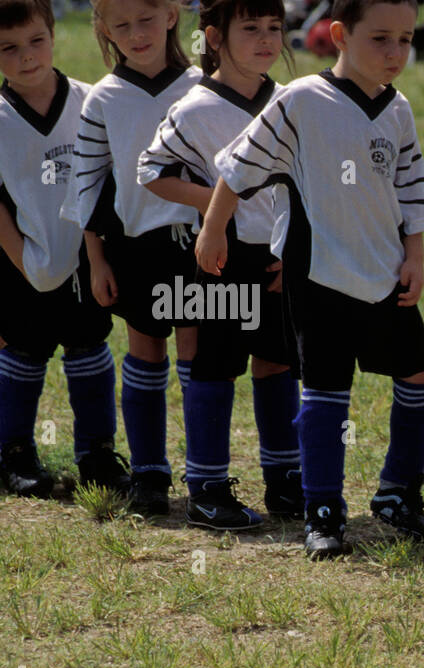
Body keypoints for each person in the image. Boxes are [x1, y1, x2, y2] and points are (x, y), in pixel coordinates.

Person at [197, 0, 424, 559]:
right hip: (318, 276)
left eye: (405, 40)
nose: (395, 52)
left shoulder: (398, 109)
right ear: (339, 35)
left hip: (384, 274)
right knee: (326, 393)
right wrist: (214, 230)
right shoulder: (303, 99)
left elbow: (412, 191)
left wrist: (415, 257)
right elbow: (237, 166)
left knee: (422, 382)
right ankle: (323, 512)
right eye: (380, 39)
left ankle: (399, 494)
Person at [137, 0, 302, 530]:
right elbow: (151, 171)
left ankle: (285, 481)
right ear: (213, 37)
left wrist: (293, 244)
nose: (265, 40)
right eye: (250, 28)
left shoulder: (290, 101)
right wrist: (215, 201)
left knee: (278, 362)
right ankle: (207, 489)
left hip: (276, 259)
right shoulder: (195, 107)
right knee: (215, 365)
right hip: (218, 257)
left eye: (274, 28)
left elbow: (306, 182)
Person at [62, 0, 201, 515]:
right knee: (145, 355)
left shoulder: (202, 87)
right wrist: (96, 262)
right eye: (121, 25)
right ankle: (149, 476)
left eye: (146, 19)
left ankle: (205, 473)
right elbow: (87, 186)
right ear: (104, 30)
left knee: (196, 357)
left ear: (171, 16)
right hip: (133, 248)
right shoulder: (102, 99)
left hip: (195, 246)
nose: (136, 33)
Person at [0, 0, 129, 498]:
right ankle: (14, 454)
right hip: (20, 255)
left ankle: (96, 454)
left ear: (53, 35)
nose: (26, 57)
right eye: (8, 49)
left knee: (89, 344)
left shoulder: (89, 101)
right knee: (22, 349)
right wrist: (20, 257)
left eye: (35, 41)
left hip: (83, 253)